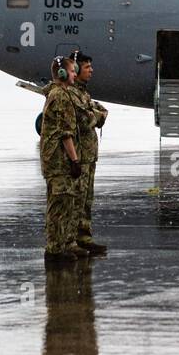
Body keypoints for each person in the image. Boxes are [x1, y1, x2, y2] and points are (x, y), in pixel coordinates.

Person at [39, 56, 87, 263]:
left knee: (62, 203)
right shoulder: (60, 96)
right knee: (59, 205)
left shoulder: (58, 94)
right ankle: (54, 250)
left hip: (56, 160)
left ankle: (60, 246)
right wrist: (75, 160)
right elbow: (66, 133)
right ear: (62, 73)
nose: (75, 73)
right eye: (72, 70)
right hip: (58, 161)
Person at [69, 50, 108, 254]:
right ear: (75, 69)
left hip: (88, 156)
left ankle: (83, 238)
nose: (91, 70)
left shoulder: (83, 93)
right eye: (87, 67)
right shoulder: (71, 94)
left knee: (86, 200)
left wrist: (96, 113)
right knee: (76, 200)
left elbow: (97, 112)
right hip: (79, 156)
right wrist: (97, 115)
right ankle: (71, 242)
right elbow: (87, 119)